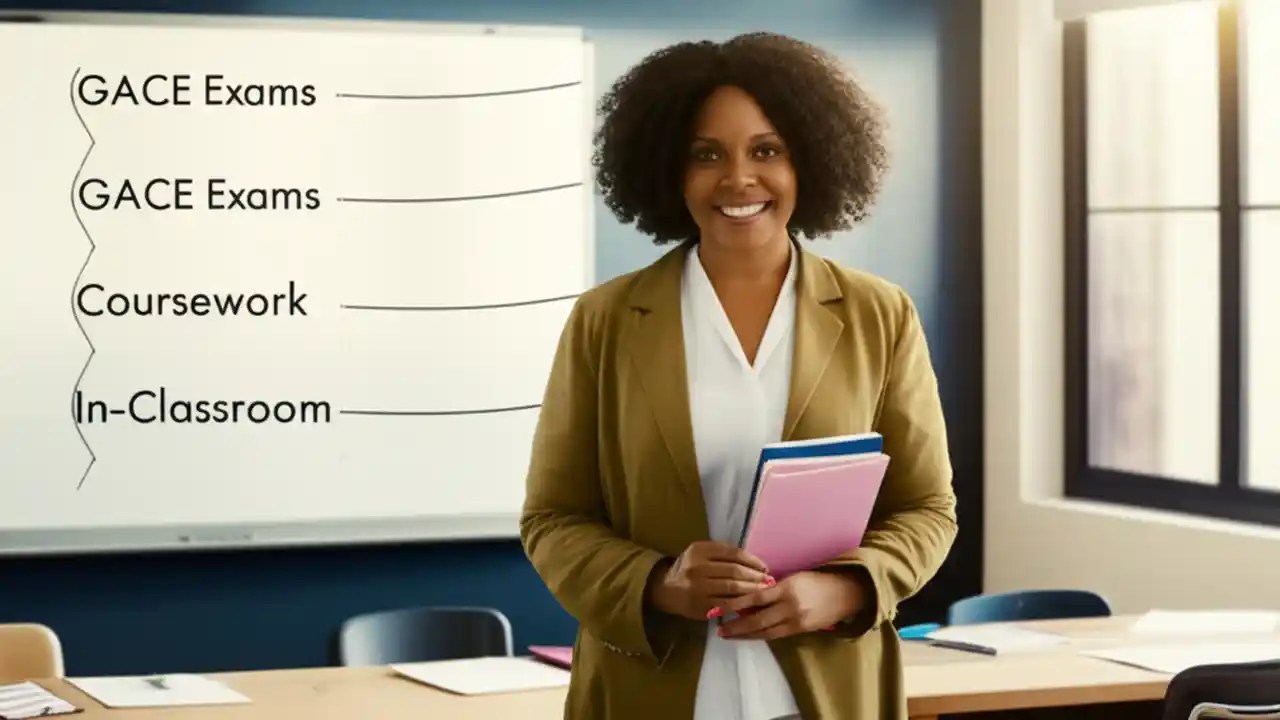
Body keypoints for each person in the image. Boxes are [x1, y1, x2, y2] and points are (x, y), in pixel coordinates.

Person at [520, 32, 957, 720]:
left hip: (827, 692)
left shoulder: (880, 314)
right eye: (707, 154)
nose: (738, 179)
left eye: (767, 150)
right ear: (670, 169)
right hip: (652, 692)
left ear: (810, 159)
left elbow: (927, 509)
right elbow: (553, 519)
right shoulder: (605, 320)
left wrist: (845, 589)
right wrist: (659, 582)